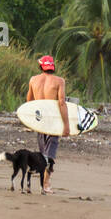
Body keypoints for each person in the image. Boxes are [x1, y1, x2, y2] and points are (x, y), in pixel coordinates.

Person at [26, 54, 70, 194]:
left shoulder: (33, 80)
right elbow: (61, 102)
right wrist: (66, 125)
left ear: (41, 66)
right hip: (53, 121)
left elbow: (29, 102)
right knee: (49, 154)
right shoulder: (59, 81)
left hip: (40, 121)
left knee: (43, 152)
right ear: (53, 67)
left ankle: (40, 181)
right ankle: (45, 184)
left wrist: (30, 121)